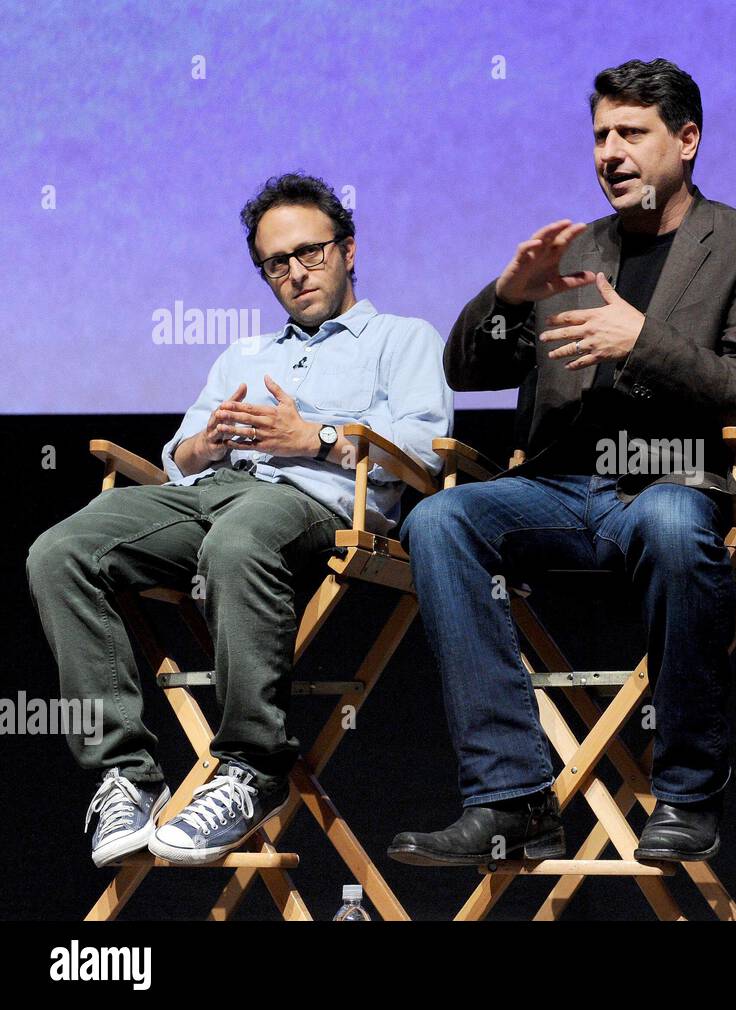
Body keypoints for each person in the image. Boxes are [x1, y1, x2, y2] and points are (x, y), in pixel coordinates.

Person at [389, 58, 736, 866]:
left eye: (631, 134)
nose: (610, 153)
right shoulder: (573, 250)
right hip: (553, 485)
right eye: (600, 136)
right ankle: (511, 799)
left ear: (686, 140)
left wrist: (641, 342)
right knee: (438, 519)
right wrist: (508, 295)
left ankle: (685, 794)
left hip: (667, 476)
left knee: (678, 529)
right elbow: (468, 371)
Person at [26, 173, 452, 866]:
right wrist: (212, 441)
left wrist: (310, 438)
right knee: (62, 548)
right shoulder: (245, 354)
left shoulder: (403, 339)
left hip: (320, 504)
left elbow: (420, 457)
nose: (295, 273)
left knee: (243, 534)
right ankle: (125, 774)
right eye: (275, 263)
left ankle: (254, 767)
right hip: (212, 490)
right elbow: (180, 456)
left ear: (348, 250)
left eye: (309, 253)